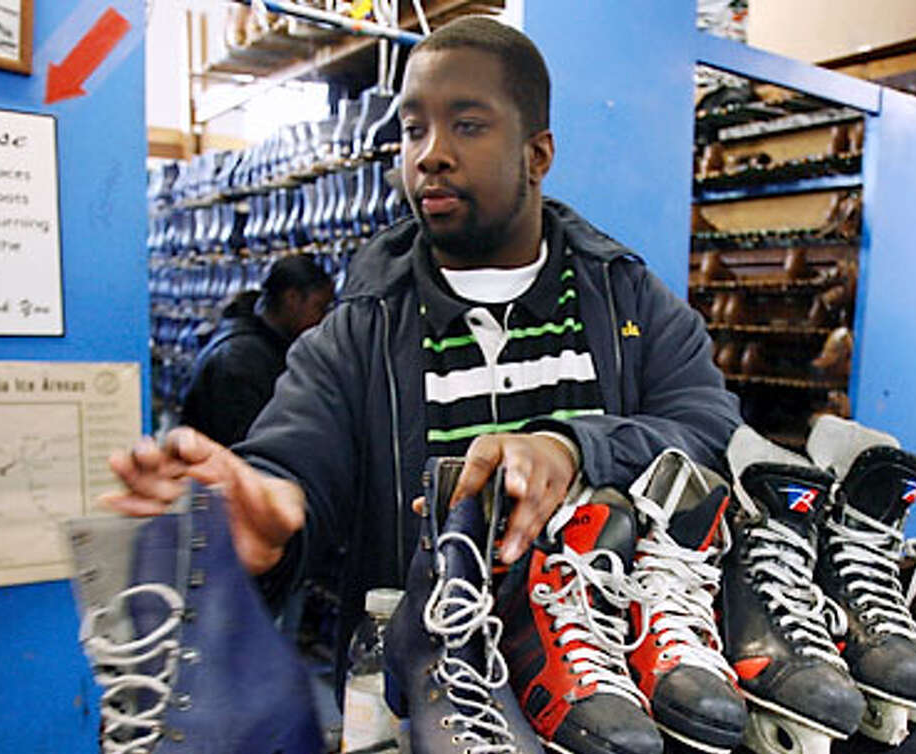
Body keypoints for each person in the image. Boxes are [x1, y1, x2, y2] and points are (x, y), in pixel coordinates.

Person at [105, 15, 740, 647]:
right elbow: (293, 458)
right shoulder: (362, 329)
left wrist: (575, 450)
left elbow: (712, 432)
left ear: (537, 154)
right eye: (414, 130)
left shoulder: (625, 298)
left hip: (613, 692)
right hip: (432, 698)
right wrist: (267, 518)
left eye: (467, 125)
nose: (430, 153)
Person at [179, 255, 335, 447]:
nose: (323, 319)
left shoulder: (258, 345)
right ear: (292, 298)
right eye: (319, 307)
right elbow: (248, 445)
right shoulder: (241, 360)